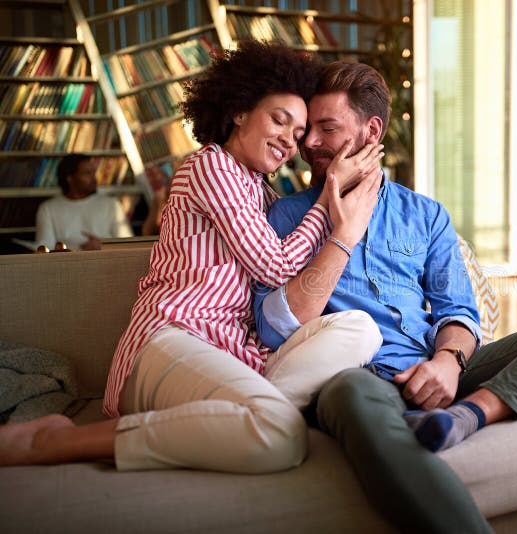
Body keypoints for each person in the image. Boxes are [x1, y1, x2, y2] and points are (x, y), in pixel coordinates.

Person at [253, 61, 517, 533]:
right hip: (357, 378)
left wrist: (447, 362)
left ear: (370, 130)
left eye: (327, 128)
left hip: (440, 370)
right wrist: (340, 227)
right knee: (351, 395)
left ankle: (473, 413)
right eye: (307, 129)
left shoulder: (425, 215)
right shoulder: (283, 217)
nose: (309, 142)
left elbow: (458, 309)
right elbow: (273, 329)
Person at [0, 42, 385, 473]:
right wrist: (331, 209)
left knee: (361, 329)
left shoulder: (262, 193)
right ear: (240, 110)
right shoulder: (210, 167)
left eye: (298, 134)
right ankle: (60, 440)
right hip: (171, 339)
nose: (290, 141)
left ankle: (249, 411)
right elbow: (276, 266)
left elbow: (287, 278)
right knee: (280, 437)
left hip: (237, 354)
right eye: (279, 120)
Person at [35, 153, 134, 251]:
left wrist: (102, 246)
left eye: (93, 172)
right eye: (87, 173)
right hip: (67, 265)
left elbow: (129, 245)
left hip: (107, 264)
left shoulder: (112, 205)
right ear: (70, 178)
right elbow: (44, 250)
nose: (94, 178)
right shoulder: (48, 209)